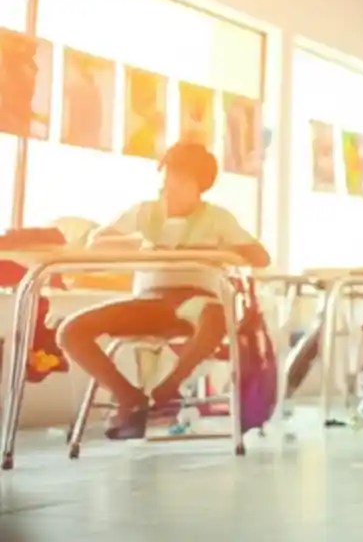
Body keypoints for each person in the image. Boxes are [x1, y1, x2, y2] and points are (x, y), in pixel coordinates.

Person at [56, 142, 270, 439]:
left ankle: (168, 388)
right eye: (168, 177)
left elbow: (261, 257)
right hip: (147, 303)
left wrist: (222, 248)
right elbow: (97, 241)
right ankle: (130, 397)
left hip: (193, 302)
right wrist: (137, 243)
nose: (171, 187)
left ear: (200, 187)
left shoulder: (217, 218)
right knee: (70, 331)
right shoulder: (144, 213)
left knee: (217, 316)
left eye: (182, 181)